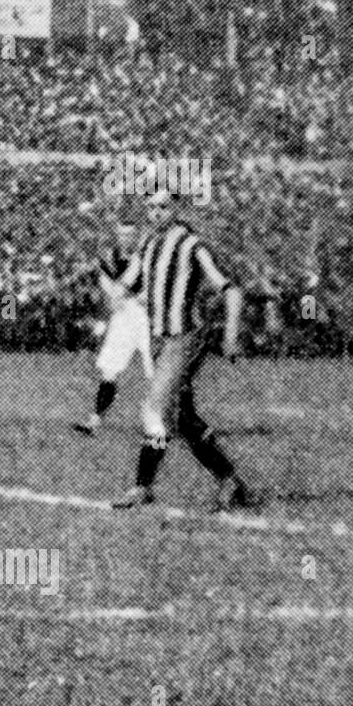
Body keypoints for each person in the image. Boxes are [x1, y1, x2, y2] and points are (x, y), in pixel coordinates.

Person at [111, 191, 251, 511]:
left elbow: (232, 291)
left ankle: (142, 487)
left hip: (185, 337)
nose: (156, 212)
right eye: (151, 207)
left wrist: (230, 336)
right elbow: (129, 281)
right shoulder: (147, 244)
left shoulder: (191, 245)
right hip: (160, 341)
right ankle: (230, 480)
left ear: (176, 208)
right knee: (182, 419)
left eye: (163, 207)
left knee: (156, 407)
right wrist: (118, 292)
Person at [75, 220, 153, 436]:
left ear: (136, 236)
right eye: (122, 234)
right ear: (116, 235)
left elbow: (155, 282)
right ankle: (94, 421)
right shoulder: (109, 258)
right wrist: (115, 296)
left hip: (148, 316)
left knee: (155, 372)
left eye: (130, 234)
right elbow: (107, 284)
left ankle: (163, 424)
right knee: (109, 370)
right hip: (124, 315)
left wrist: (145, 295)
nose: (126, 238)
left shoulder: (147, 255)